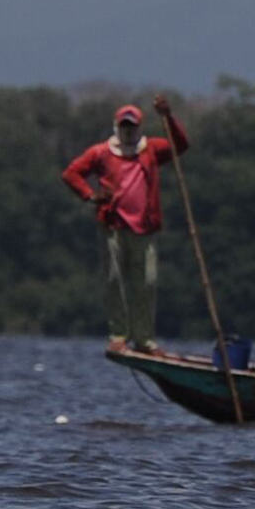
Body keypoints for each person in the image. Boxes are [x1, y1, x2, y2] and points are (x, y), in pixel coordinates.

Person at [60, 97, 189, 347]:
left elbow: (180, 145)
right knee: (114, 280)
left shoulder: (150, 149)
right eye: (124, 126)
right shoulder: (101, 152)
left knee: (146, 284)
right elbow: (71, 173)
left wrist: (168, 117)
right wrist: (90, 196)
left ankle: (144, 339)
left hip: (145, 227)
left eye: (132, 126)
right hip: (113, 226)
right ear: (117, 127)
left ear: (139, 127)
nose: (128, 131)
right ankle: (119, 335)